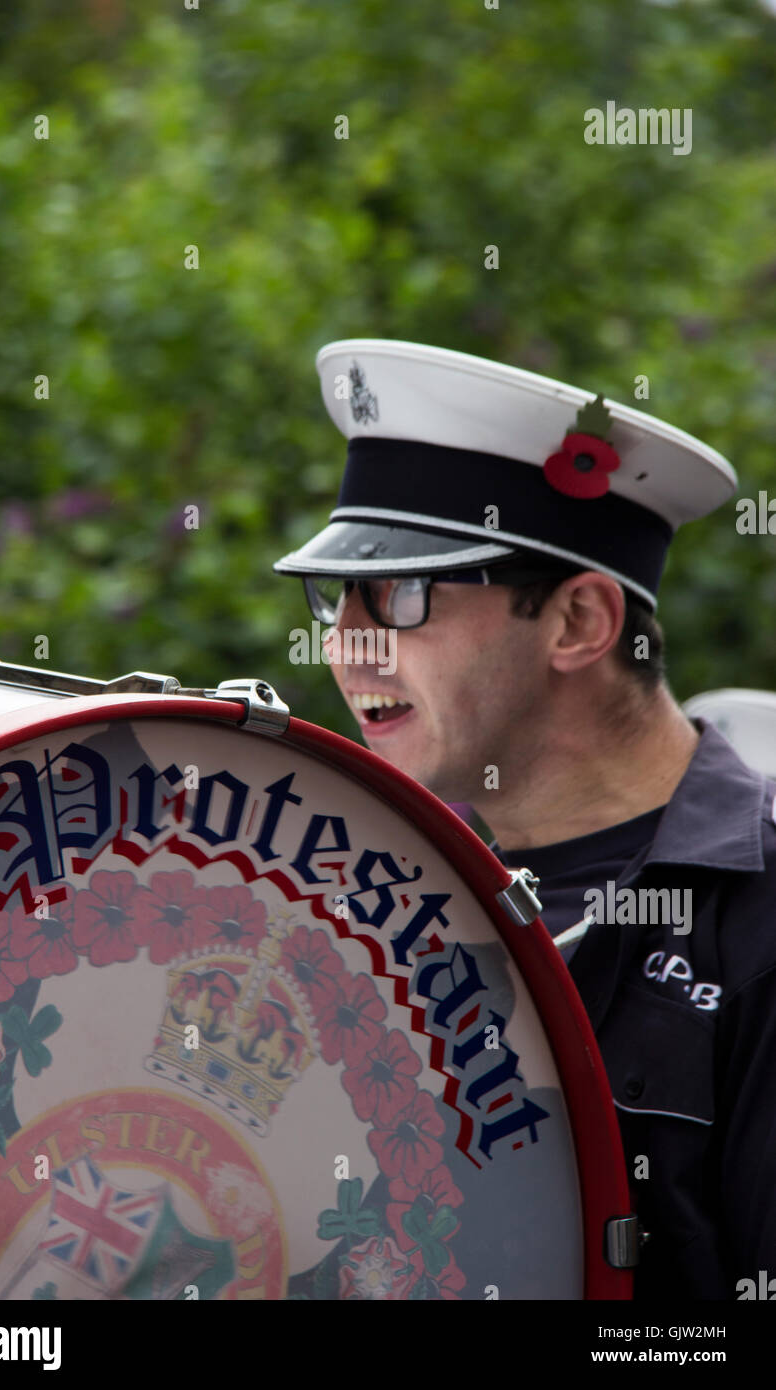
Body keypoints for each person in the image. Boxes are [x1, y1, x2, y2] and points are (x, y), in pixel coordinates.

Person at [274, 337, 776, 1301]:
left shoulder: (758, 922)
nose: (346, 646)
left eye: (403, 593)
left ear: (579, 622)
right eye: (336, 597)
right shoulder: (380, 888)